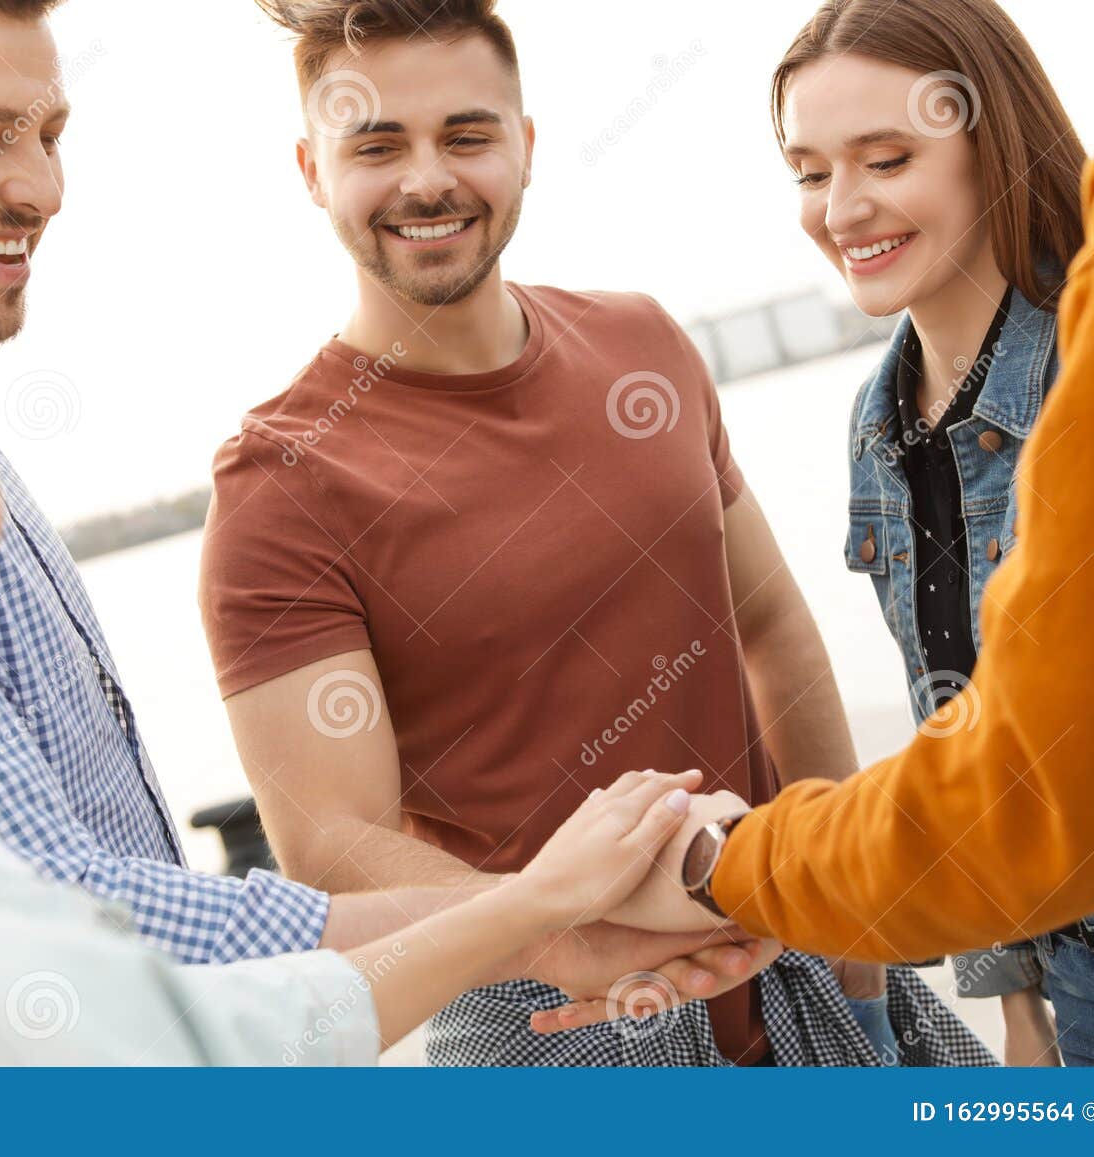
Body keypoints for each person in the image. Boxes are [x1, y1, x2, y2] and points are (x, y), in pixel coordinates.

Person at [0, 0, 752, 1006]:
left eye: (52, 137)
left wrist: (543, 924)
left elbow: (97, 909)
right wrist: (535, 917)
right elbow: (64, 916)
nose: (46, 189)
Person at [202, 0, 992, 1067]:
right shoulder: (280, 481)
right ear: (311, 169)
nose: (427, 179)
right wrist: (565, 926)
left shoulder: (640, 344)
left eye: (466, 135)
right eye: (377, 145)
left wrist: (854, 937)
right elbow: (333, 844)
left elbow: (772, 633)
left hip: (804, 969)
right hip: (552, 1030)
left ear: (523, 147)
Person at [561, 0, 1094, 1069]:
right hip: (1080, 984)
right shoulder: (877, 418)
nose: (841, 207)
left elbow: (1080, 771)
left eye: (886, 158)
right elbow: (948, 721)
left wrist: (730, 860)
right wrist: (1019, 1002)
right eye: (810, 172)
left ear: (987, 139)